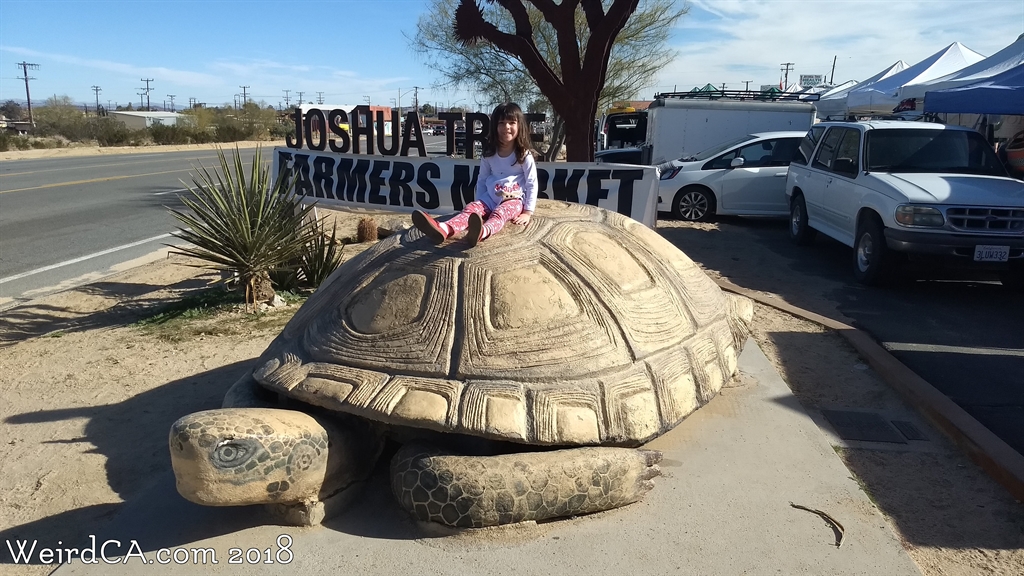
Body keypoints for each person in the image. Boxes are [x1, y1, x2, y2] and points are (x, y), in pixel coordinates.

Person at [412, 102, 538, 247]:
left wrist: (528, 212)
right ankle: (444, 229)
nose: (506, 127)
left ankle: (481, 232)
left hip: (514, 200)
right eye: (501, 123)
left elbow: (531, 183)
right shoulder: (489, 154)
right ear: (495, 126)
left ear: (519, 126)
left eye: (511, 122)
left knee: (500, 213)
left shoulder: (523, 155)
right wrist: (479, 207)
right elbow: (482, 179)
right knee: (470, 209)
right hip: (490, 198)